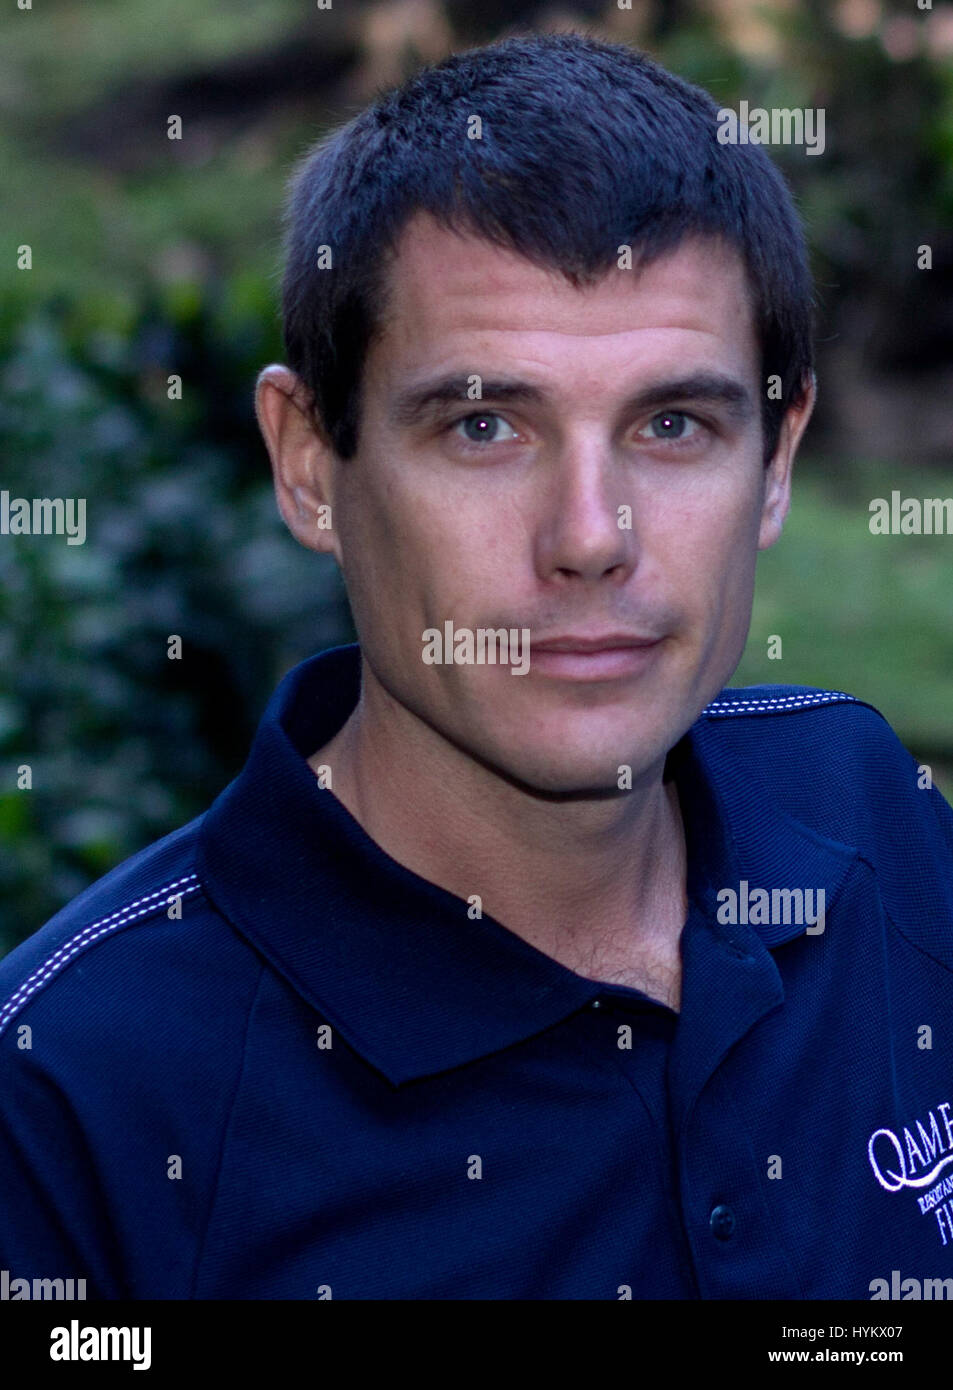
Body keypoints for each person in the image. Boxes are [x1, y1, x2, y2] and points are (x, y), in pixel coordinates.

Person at [2, 31, 952, 1302]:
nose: (587, 539)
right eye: (483, 425)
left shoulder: (866, 806)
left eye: (672, 424)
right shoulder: (69, 1095)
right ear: (306, 462)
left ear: (774, 462)